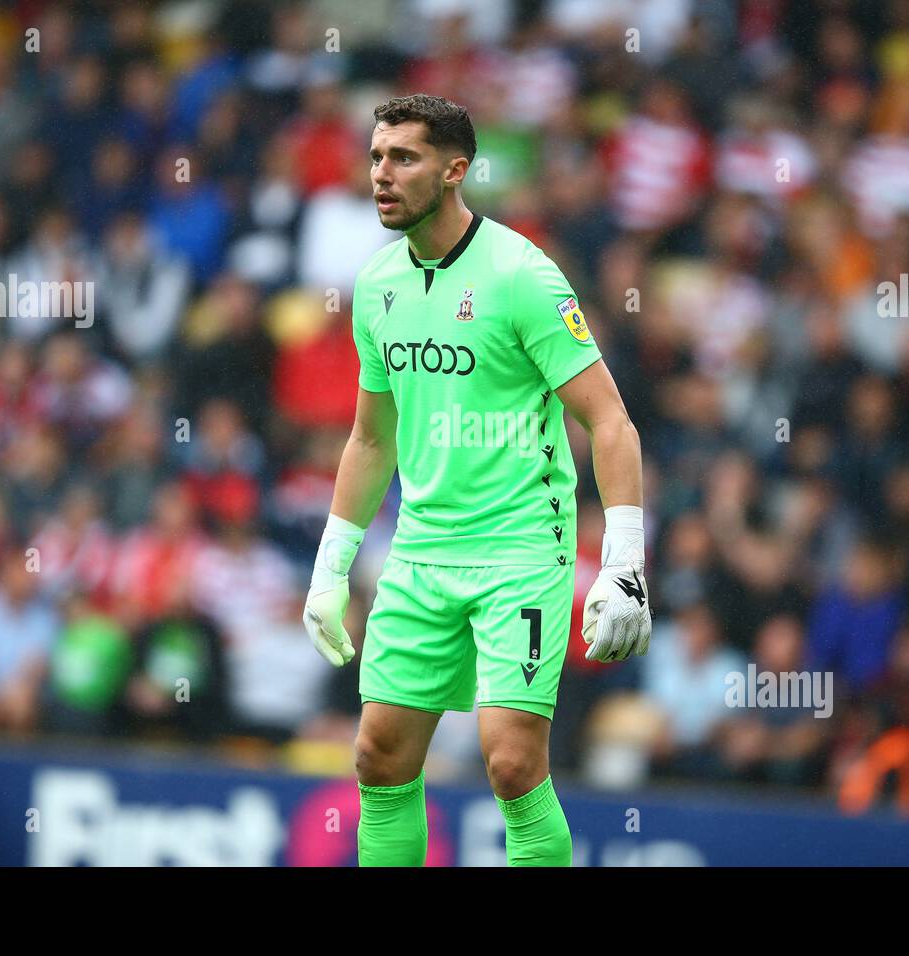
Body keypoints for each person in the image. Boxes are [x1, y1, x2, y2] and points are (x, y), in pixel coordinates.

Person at [301, 94, 652, 867]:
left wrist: (625, 561)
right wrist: (330, 566)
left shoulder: (524, 276)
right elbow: (370, 437)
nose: (381, 175)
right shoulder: (377, 285)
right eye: (375, 157)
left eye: (404, 158)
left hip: (522, 547)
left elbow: (612, 421)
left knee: (511, 761)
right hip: (422, 552)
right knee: (378, 757)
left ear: (456, 170)